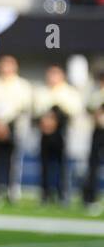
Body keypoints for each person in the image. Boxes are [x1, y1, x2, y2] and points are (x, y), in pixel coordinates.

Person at [0, 55, 33, 203]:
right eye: (3, 65)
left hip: (15, 127)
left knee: (14, 160)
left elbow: (23, 108)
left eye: (9, 65)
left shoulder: (22, 86)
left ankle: (12, 190)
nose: (6, 69)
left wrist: (7, 124)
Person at [34, 65, 82, 205]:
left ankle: (63, 194)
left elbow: (74, 110)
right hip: (45, 133)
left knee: (63, 166)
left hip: (62, 133)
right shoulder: (42, 91)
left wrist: (56, 118)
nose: (52, 77)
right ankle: (45, 195)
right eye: (50, 74)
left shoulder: (69, 92)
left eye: (56, 74)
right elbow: (36, 112)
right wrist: (45, 121)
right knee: (44, 165)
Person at [84, 68, 104, 214]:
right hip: (98, 131)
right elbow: (90, 109)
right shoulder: (95, 94)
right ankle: (90, 198)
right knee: (93, 165)